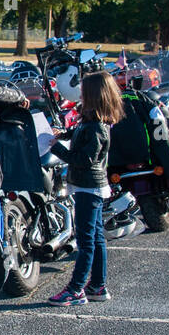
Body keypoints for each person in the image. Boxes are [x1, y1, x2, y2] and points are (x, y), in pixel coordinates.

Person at [49, 71, 124, 306]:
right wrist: (63, 134)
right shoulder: (92, 123)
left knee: (85, 241)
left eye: (83, 91)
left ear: (93, 95)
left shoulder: (96, 129)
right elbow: (78, 134)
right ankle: (97, 286)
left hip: (88, 188)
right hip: (90, 188)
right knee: (96, 238)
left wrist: (56, 148)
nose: (79, 93)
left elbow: (83, 159)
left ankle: (76, 289)